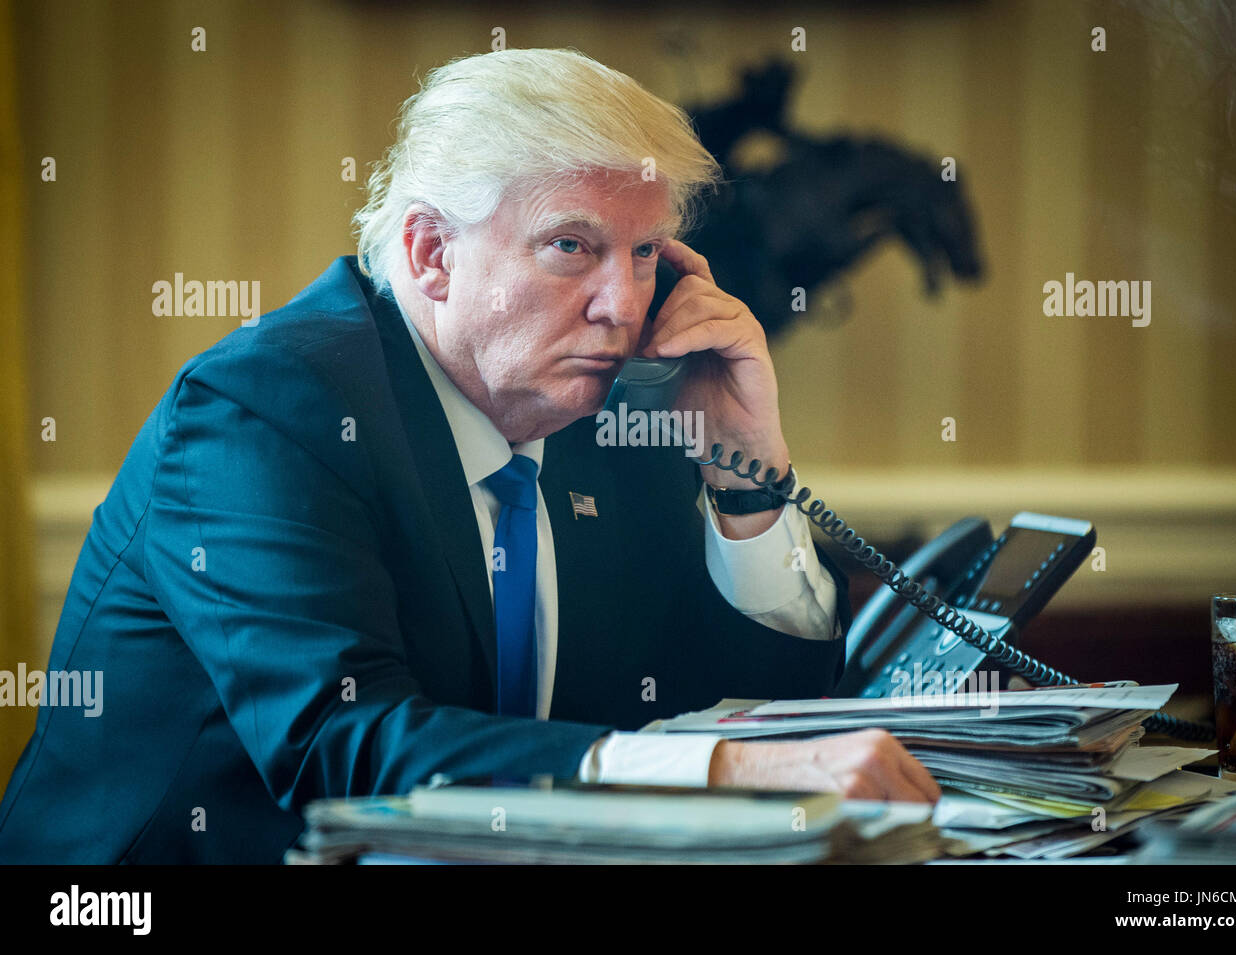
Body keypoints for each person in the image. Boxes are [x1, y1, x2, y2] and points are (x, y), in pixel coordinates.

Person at [0, 47, 937, 864]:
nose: (621, 303)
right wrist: (722, 770)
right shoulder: (265, 410)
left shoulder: (608, 410)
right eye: (572, 246)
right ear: (432, 253)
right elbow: (347, 747)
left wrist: (747, 490)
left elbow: (757, 716)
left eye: (647, 251)